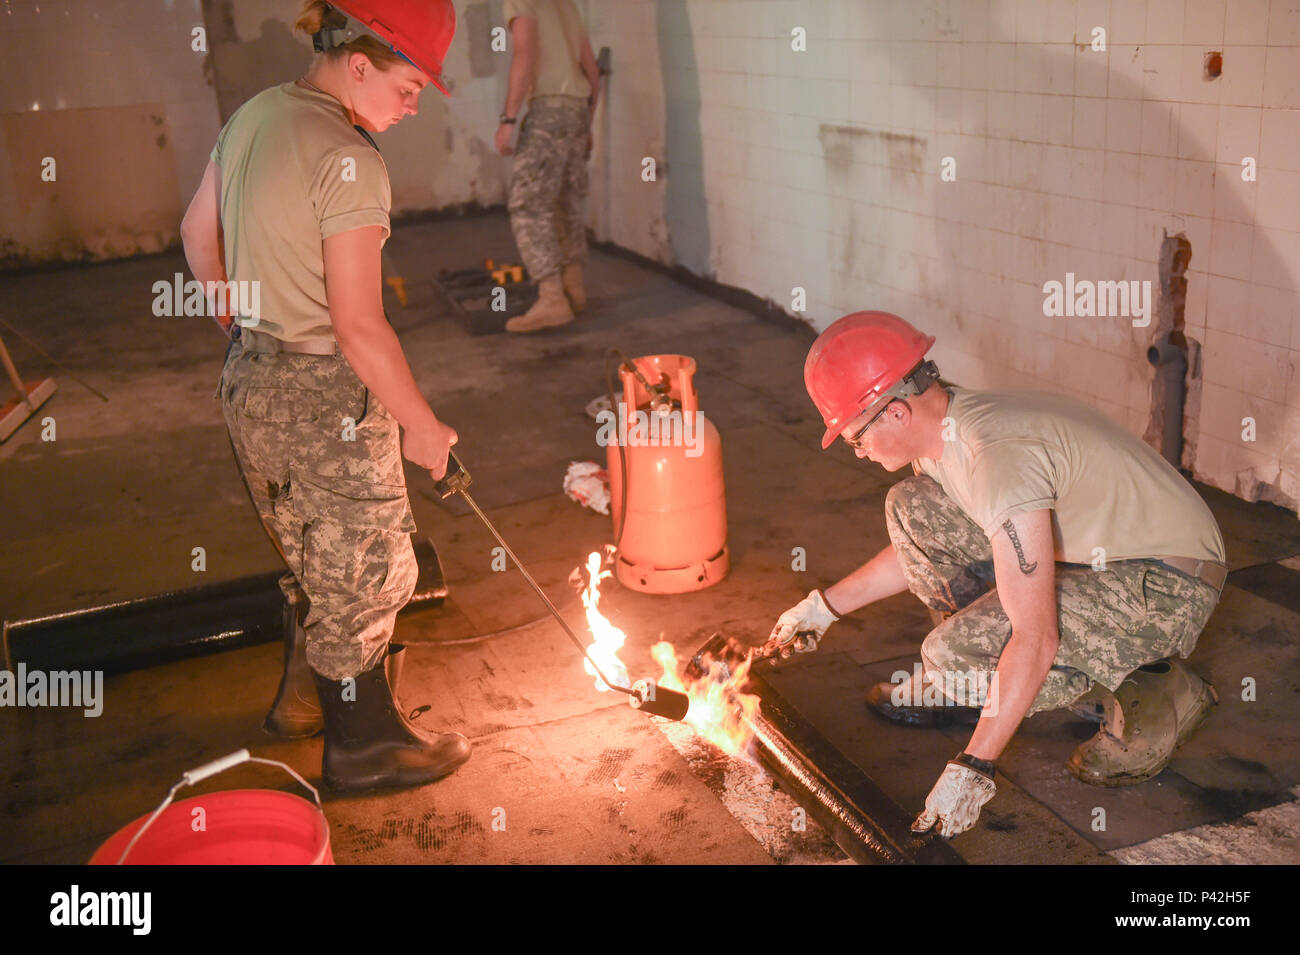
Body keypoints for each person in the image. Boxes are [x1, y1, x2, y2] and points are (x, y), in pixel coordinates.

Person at [763, 311, 1226, 837]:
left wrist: (973, 769)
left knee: (953, 656)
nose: (859, 451)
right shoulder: (947, 426)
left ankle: (1147, 684)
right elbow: (927, 542)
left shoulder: (995, 456)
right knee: (913, 509)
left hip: (1166, 584)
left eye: (854, 438)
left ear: (893, 413)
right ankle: (981, 688)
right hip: (1113, 554)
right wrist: (824, 608)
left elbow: (1037, 634)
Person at [179, 0, 470, 793]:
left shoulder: (253, 117)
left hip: (250, 381)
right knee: (374, 571)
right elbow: (359, 327)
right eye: (410, 86)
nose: (414, 106)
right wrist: (423, 426)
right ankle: (366, 747)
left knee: (315, 548)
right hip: (321, 396)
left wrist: (235, 313)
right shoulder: (350, 157)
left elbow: (195, 230)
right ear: (362, 62)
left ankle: (306, 704)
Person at [495, 0, 600, 333]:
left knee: (528, 206)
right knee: (564, 201)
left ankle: (552, 297)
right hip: (576, 111)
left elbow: (525, 54)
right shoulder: (566, 5)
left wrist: (508, 119)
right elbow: (592, 71)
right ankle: (574, 286)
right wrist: (588, 125)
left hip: (547, 113)